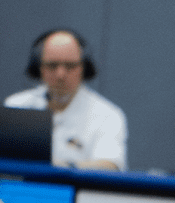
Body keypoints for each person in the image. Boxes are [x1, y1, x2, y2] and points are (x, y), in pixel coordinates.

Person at [4, 29, 127, 171]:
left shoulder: (107, 115)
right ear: (39, 68)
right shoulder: (16, 106)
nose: (60, 74)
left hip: (76, 191)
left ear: (83, 68)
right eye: (52, 65)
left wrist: (60, 169)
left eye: (70, 66)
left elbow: (110, 166)